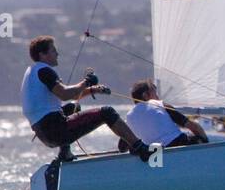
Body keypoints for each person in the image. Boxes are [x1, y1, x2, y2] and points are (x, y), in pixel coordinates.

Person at [21, 35, 153, 162]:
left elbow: (70, 95)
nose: (57, 54)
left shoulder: (32, 71)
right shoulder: (45, 71)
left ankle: (64, 152)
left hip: (44, 133)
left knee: (73, 107)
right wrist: (86, 82)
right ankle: (139, 148)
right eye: (53, 50)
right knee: (107, 112)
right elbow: (65, 94)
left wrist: (92, 90)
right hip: (56, 130)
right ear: (42, 54)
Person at [119, 79, 210, 150]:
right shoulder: (160, 105)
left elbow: (122, 148)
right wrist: (206, 142)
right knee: (197, 136)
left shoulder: (129, 117)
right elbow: (194, 127)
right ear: (145, 95)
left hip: (156, 155)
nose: (158, 96)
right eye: (154, 92)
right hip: (179, 145)